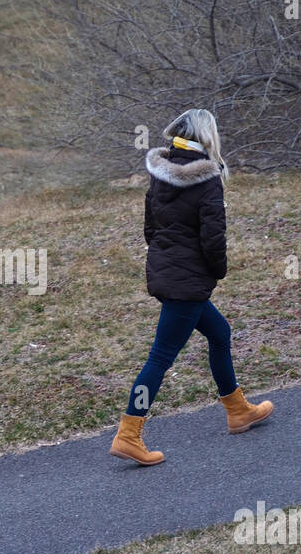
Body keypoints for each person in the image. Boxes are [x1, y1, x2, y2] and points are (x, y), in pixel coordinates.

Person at [110, 109, 274, 466]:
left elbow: (149, 227)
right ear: (206, 135)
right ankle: (128, 434)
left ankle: (238, 409)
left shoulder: (160, 171)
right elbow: (213, 238)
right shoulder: (207, 178)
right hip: (189, 281)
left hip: (167, 274)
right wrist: (217, 271)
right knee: (159, 358)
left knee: (219, 332)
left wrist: (168, 258)